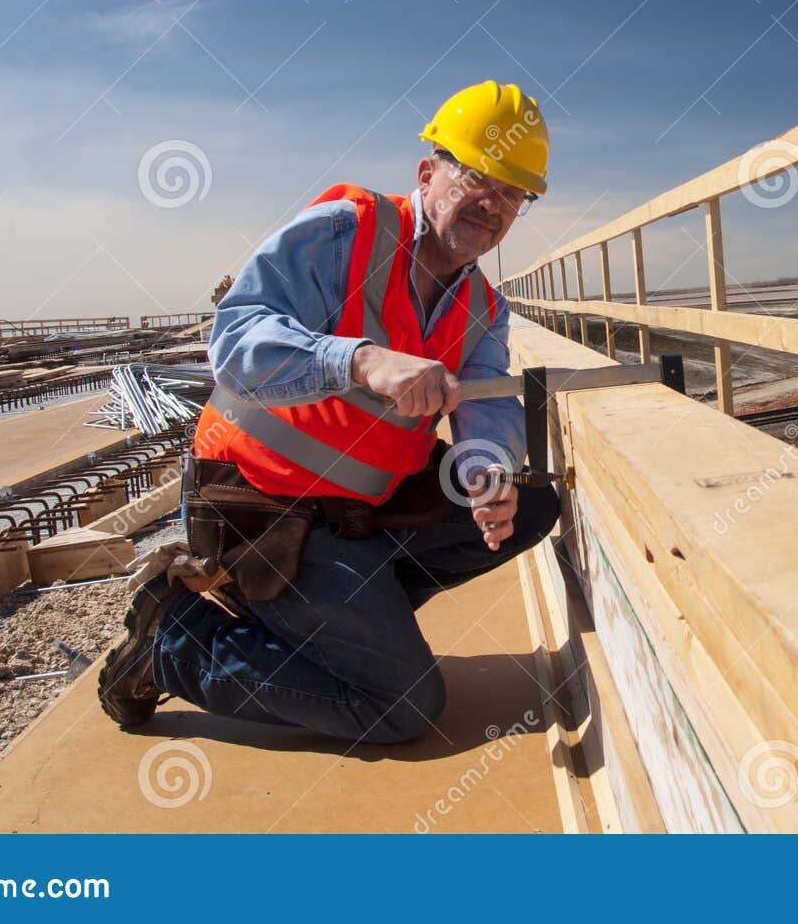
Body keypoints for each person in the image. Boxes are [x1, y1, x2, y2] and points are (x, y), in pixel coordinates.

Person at [97, 81, 562, 743]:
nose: (493, 204)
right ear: (426, 174)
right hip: (258, 501)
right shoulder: (347, 233)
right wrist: (362, 360)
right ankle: (174, 641)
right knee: (402, 705)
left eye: (513, 193)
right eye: (478, 178)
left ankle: (325, 620)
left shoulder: (483, 308)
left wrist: (488, 471)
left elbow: (486, 400)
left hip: (358, 508)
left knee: (533, 504)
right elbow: (234, 343)